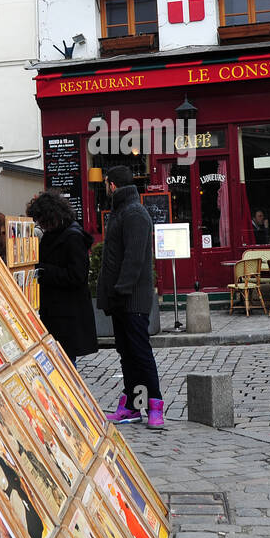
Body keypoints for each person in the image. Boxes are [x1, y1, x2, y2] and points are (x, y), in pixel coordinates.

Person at [98, 166, 163, 429]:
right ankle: (133, 407)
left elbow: (134, 259)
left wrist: (121, 290)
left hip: (131, 298)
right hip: (120, 299)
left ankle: (155, 406)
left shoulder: (134, 212)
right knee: (126, 353)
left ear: (112, 185)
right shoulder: (120, 211)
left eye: (105, 184)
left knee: (140, 352)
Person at [27, 191, 99, 363]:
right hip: (56, 310)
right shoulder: (54, 234)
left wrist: (43, 270)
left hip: (67, 312)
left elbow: (77, 275)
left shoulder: (72, 237)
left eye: (42, 220)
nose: (41, 225)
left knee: (65, 361)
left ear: (51, 216)